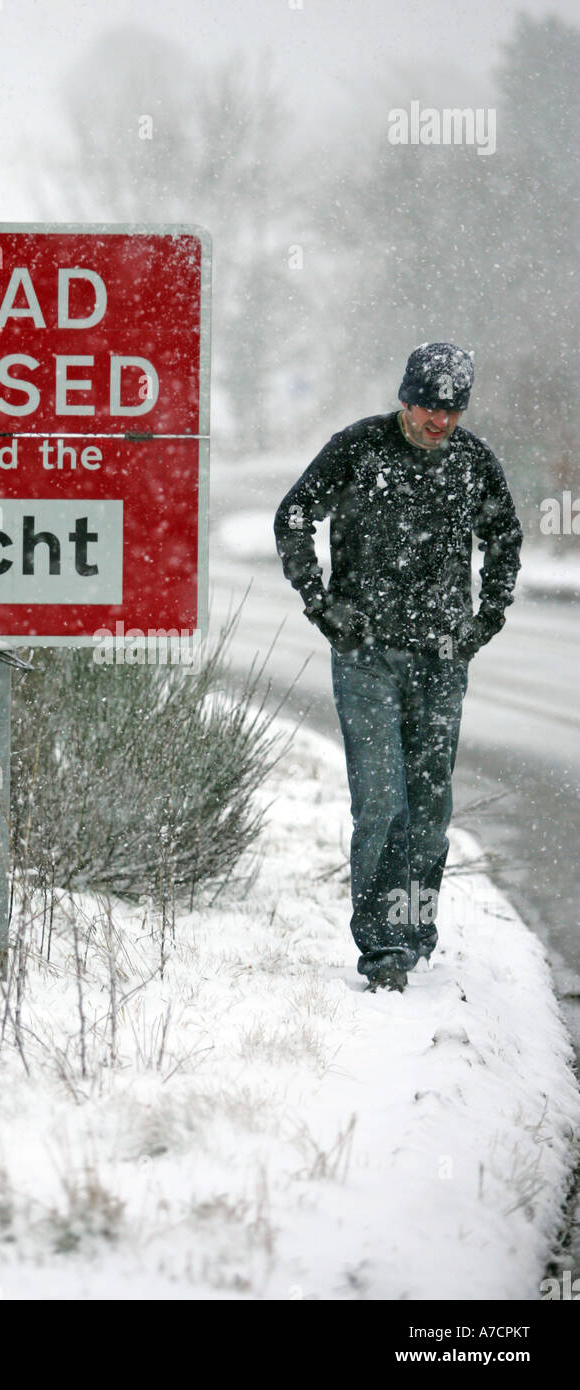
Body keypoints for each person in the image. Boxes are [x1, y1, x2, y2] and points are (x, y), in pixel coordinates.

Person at [273, 343, 523, 993]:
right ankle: (382, 946)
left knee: (431, 805)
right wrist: (323, 607)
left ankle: (414, 927)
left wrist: (484, 619)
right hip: (367, 655)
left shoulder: (473, 463)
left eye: (453, 411)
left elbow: (505, 539)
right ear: (405, 398)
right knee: (383, 798)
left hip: (442, 657)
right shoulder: (358, 449)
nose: (440, 422)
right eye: (429, 408)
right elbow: (293, 517)